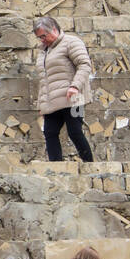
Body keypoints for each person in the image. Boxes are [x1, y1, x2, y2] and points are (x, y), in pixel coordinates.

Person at [34, 15, 95, 162]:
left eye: (44, 36)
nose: (42, 40)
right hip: (52, 101)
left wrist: (75, 86)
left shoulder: (71, 42)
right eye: (39, 37)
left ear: (54, 29)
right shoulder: (43, 51)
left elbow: (84, 65)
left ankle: (89, 164)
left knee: (75, 131)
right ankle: (56, 167)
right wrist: (41, 103)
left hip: (74, 99)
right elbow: (44, 79)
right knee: (50, 132)